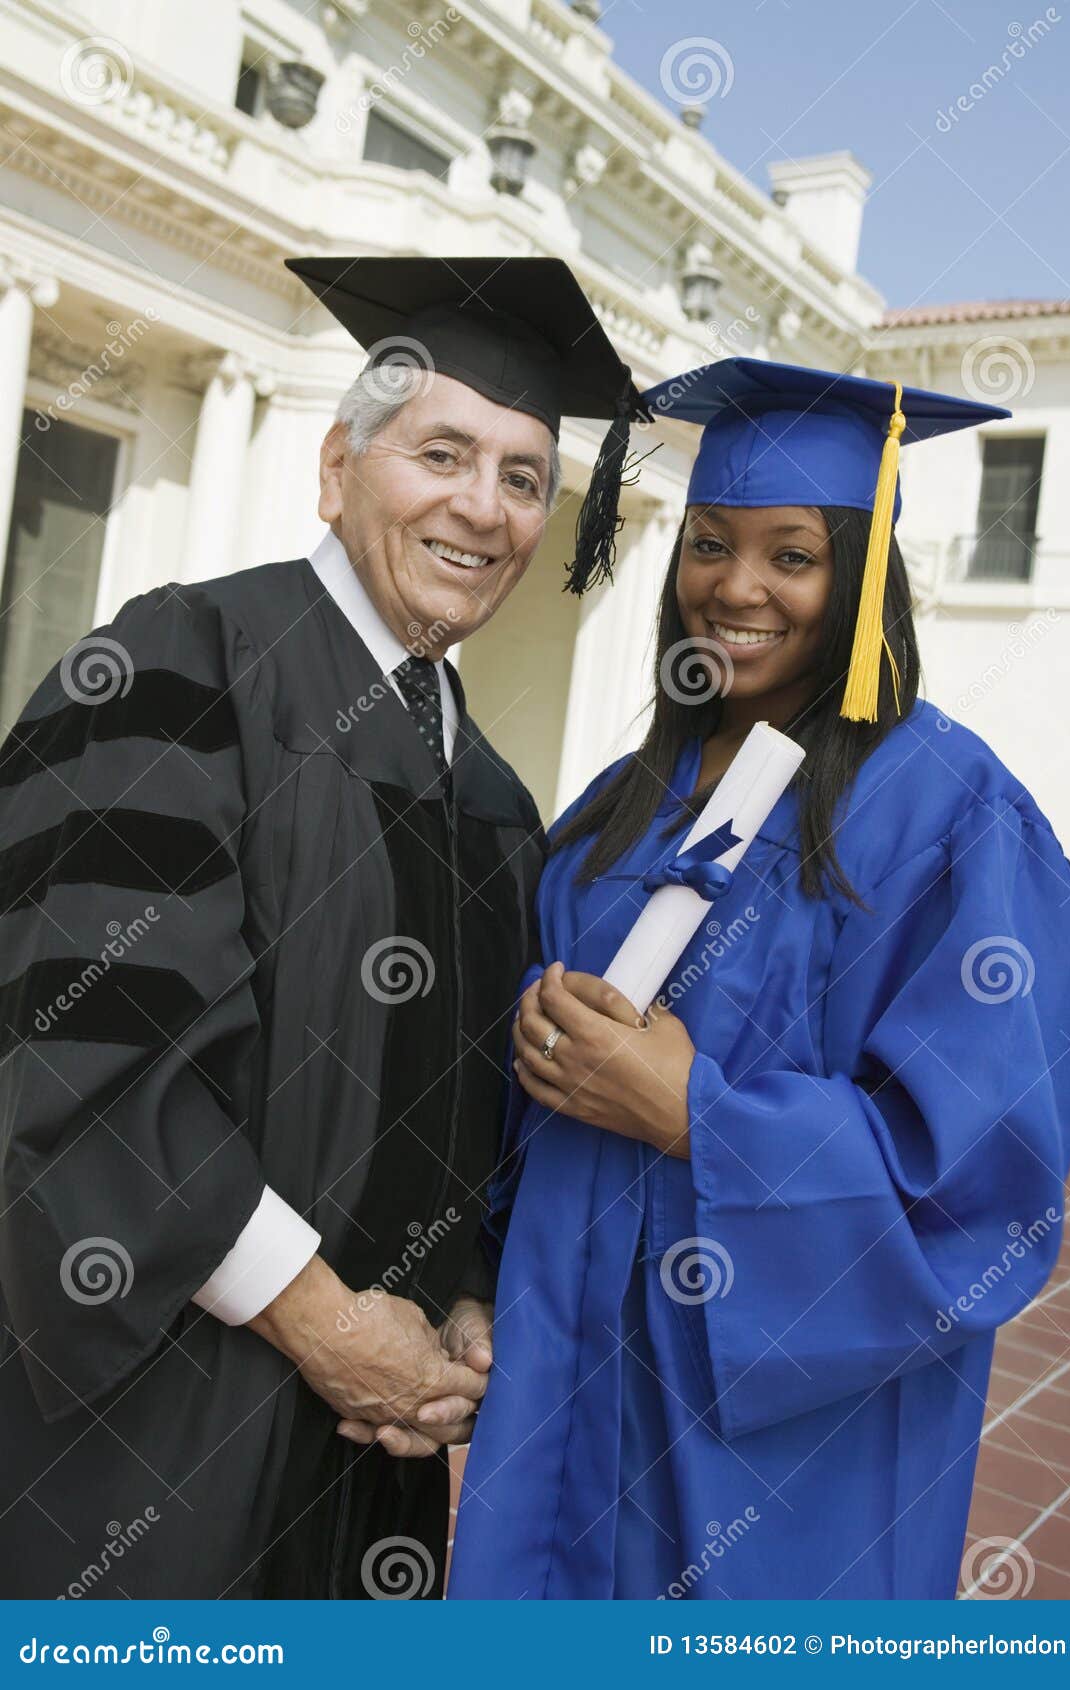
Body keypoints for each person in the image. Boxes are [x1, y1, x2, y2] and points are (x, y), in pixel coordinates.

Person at [0, 254, 646, 1599]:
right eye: (442, 453)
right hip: (166, 1411)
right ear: (336, 464)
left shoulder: (495, 798)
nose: (483, 505)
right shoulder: (180, 668)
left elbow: (463, 1099)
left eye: (524, 476)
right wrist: (325, 1321)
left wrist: (465, 1291)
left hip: (377, 1435)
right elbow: (86, 1053)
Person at [448, 357, 1070, 1600]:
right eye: (708, 544)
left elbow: (987, 1176)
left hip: (780, 1453)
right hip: (569, 1397)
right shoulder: (614, 811)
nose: (735, 588)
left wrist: (703, 1114)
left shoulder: (951, 814)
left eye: (791, 555)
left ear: (859, 579)